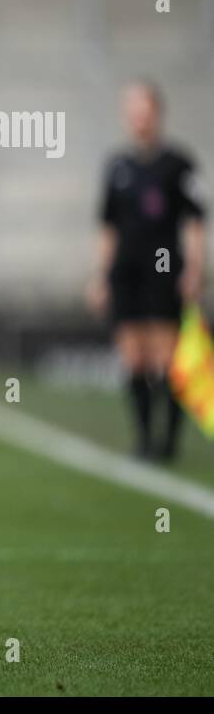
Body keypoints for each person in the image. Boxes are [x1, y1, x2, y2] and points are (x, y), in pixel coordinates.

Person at [88, 80, 206, 462]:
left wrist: (194, 269)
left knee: (166, 358)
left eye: (144, 109)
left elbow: (194, 222)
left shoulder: (178, 164)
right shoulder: (117, 167)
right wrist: (102, 276)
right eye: (132, 110)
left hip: (165, 267)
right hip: (127, 272)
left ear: (157, 112)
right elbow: (108, 227)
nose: (138, 117)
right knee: (133, 357)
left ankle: (168, 443)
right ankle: (143, 439)